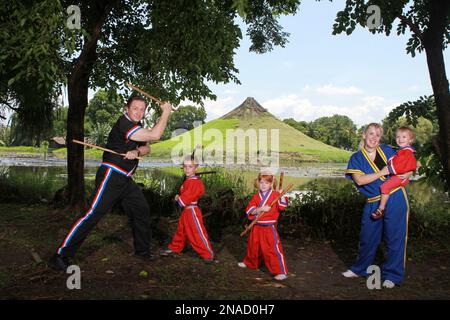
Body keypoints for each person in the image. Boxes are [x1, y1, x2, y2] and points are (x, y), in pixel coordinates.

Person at [48, 96, 173, 271]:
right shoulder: (124, 123)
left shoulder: (136, 127)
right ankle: (60, 255)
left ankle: (142, 252)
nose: (138, 112)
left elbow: (148, 147)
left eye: (142, 109)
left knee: (141, 209)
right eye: (135, 108)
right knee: (92, 214)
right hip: (111, 176)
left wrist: (136, 150)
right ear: (126, 109)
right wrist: (166, 112)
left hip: (125, 180)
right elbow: (155, 134)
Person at [342, 123, 413, 288]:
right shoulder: (356, 158)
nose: (374, 138)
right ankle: (360, 269)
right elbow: (359, 180)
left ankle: (393, 276)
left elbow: (409, 162)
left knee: (395, 238)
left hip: (396, 197)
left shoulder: (388, 151)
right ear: (364, 135)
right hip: (373, 201)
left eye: (378, 135)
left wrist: (408, 173)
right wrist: (383, 172)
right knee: (367, 237)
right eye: (371, 134)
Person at [159, 155, 215, 263]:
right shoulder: (189, 180)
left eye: (190, 167)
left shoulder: (194, 182)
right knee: (181, 230)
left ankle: (208, 254)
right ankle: (175, 248)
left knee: (197, 232)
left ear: (196, 168)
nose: (187, 169)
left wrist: (178, 198)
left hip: (192, 210)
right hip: (187, 210)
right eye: (185, 166)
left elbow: (187, 197)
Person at [238, 170, 289, 281]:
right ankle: (251, 263)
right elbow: (250, 210)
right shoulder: (256, 196)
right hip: (257, 226)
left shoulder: (275, 195)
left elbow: (282, 206)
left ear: (271, 184)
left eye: (266, 183)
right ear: (258, 183)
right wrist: (261, 209)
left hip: (269, 227)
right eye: (261, 182)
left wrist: (281, 195)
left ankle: (280, 271)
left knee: (271, 249)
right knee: (253, 246)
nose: (263, 185)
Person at [371, 126, 417, 219]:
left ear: (410, 140)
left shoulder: (406, 152)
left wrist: (389, 168)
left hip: (399, 177)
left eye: (404, 137)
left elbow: (401, 164)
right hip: (401, 176)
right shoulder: (403, 150)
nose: (400, 139)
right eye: (398, 137)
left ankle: (381, 208)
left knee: (384, 187)